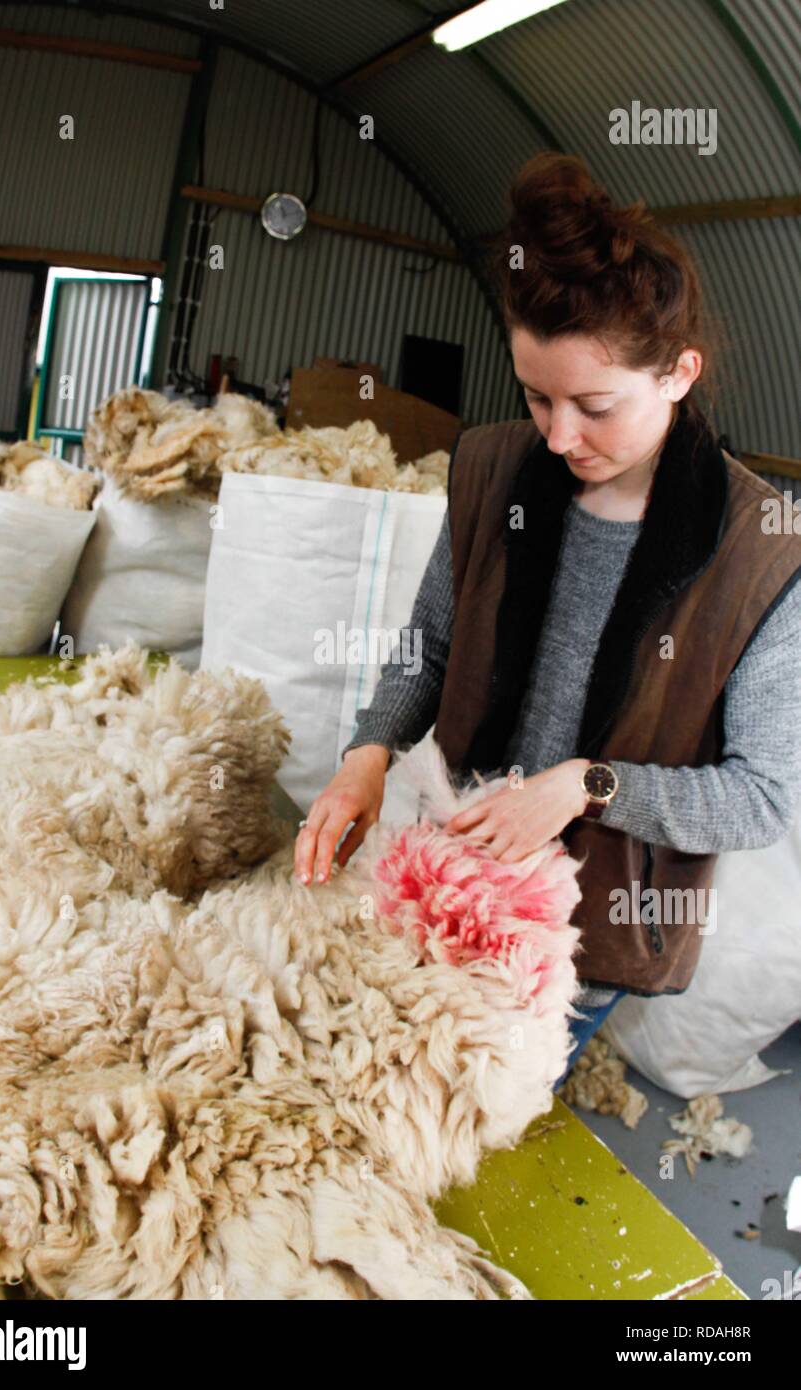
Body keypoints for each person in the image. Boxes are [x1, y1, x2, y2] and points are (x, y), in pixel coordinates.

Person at [292, 153, 801, 1089]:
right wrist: (367, 756)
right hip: (451, 868)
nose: (561, 437)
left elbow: (761, 799)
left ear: (679, 373)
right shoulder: (492, 471)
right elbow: (431, 647)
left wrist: (585, 787)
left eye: (595, 407)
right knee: (376, 1076)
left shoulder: (762, 553)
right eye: (537, 396)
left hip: (590, 928)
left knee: (476, 1105)